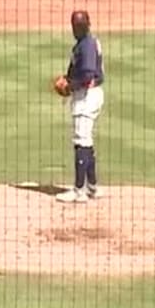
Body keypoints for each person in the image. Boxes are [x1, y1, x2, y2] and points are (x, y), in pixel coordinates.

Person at [55, 10, 106, 204]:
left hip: (87, 97)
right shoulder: (87, 43)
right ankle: (92, 187)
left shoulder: (87, 46)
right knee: (86, 140)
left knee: (81, 141)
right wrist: (68, 79)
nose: (75, 30)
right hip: (90, 95)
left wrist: (69, 85)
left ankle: (79, 191)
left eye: (77, 26)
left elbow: (87, 76)